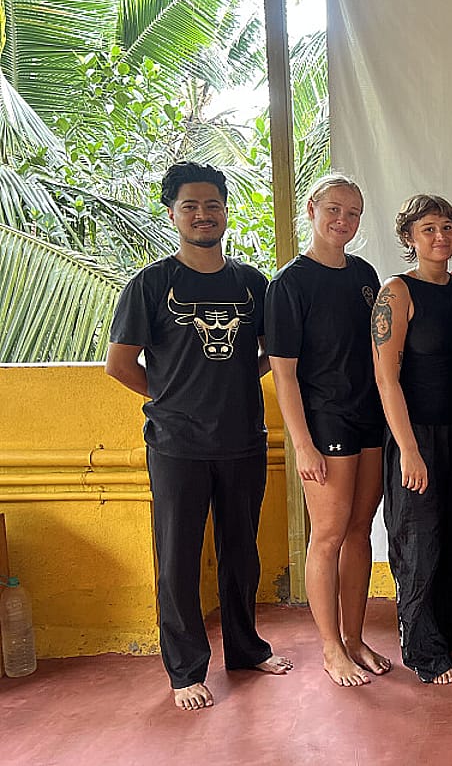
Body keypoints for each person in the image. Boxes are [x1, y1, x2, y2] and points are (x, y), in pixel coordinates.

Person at [105, 161, 292, 711]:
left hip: (243, 440)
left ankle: (245, 648)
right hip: (176, 446)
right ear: (172, 213)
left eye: (213, 204)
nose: (203, 214)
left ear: (226, 211)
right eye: (191, 205)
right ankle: (185, 670)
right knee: (178, 558)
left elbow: (272, 354)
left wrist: (238, 379)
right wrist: (168, 398)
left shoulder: (252, 284)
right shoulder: (151, 283)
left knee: (243, 553)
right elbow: (119, 363)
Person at [265, 175, 390, 686]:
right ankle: (330, 647)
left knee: (361, 531)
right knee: (330, 534)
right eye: (334, 210)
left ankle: (356, 638)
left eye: (354, 213)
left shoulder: (364, 274)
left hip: (368, 417)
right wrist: (303, 444)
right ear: (313, 208)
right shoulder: (288, 284)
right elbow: (283, 374)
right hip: (324, 422)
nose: (344, 221)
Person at [371, 194, 452, 684]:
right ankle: (423, 650)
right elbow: (386, 377)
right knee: (419, 544)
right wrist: (409, 451)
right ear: (409, 238)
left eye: (447, 227)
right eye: (428, 229)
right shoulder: (396, 292)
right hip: (415, 436)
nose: (440, 237)